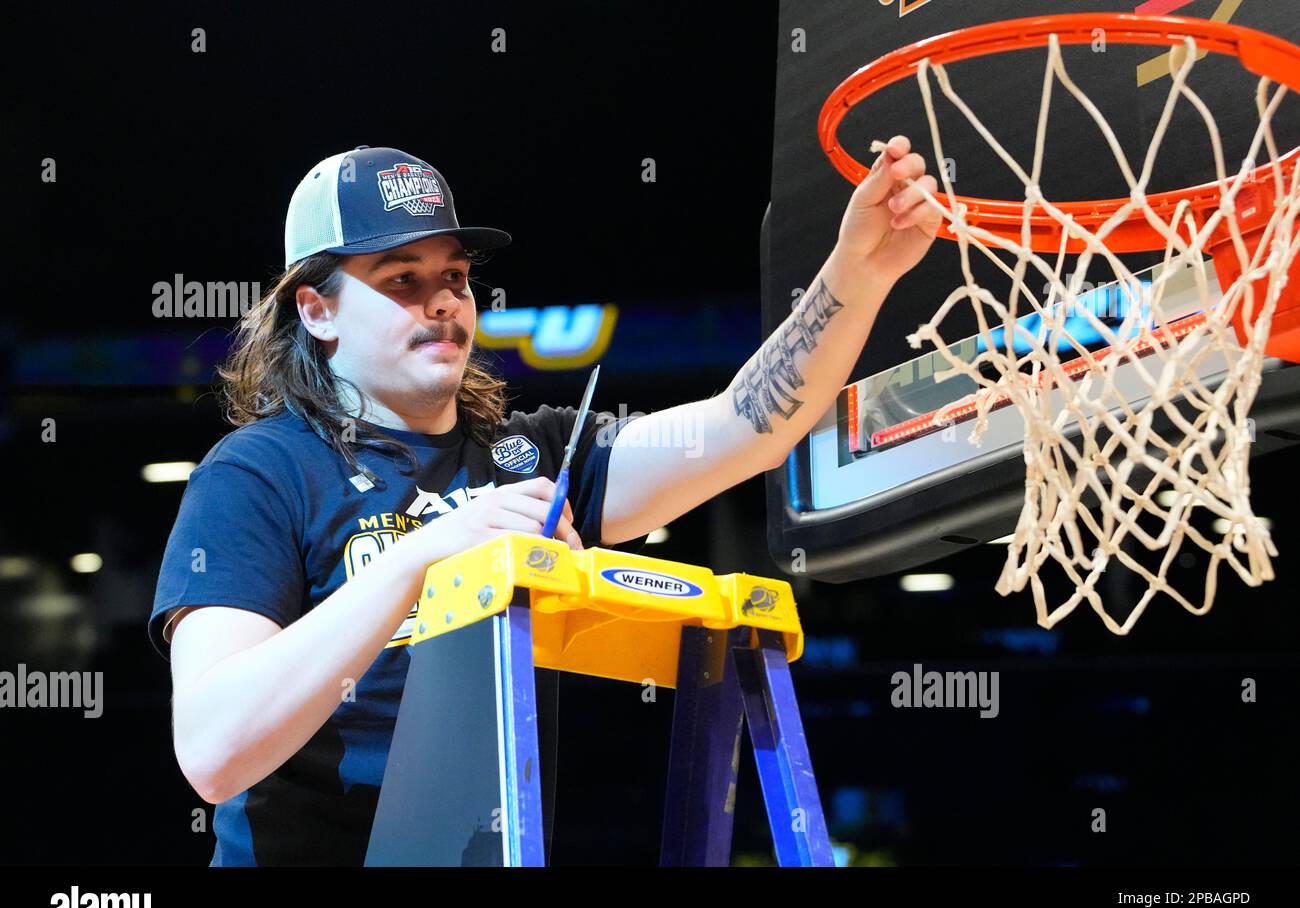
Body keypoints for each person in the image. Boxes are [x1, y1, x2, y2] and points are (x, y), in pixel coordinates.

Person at [148, 138, 941, 865]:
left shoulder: (533, 456)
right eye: (402, 279)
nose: (444, 301)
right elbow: (214, 752)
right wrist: (425, 555)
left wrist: (855, 275)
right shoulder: (256, 473)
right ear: (316, 310)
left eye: (455, 276)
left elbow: (745, 426)